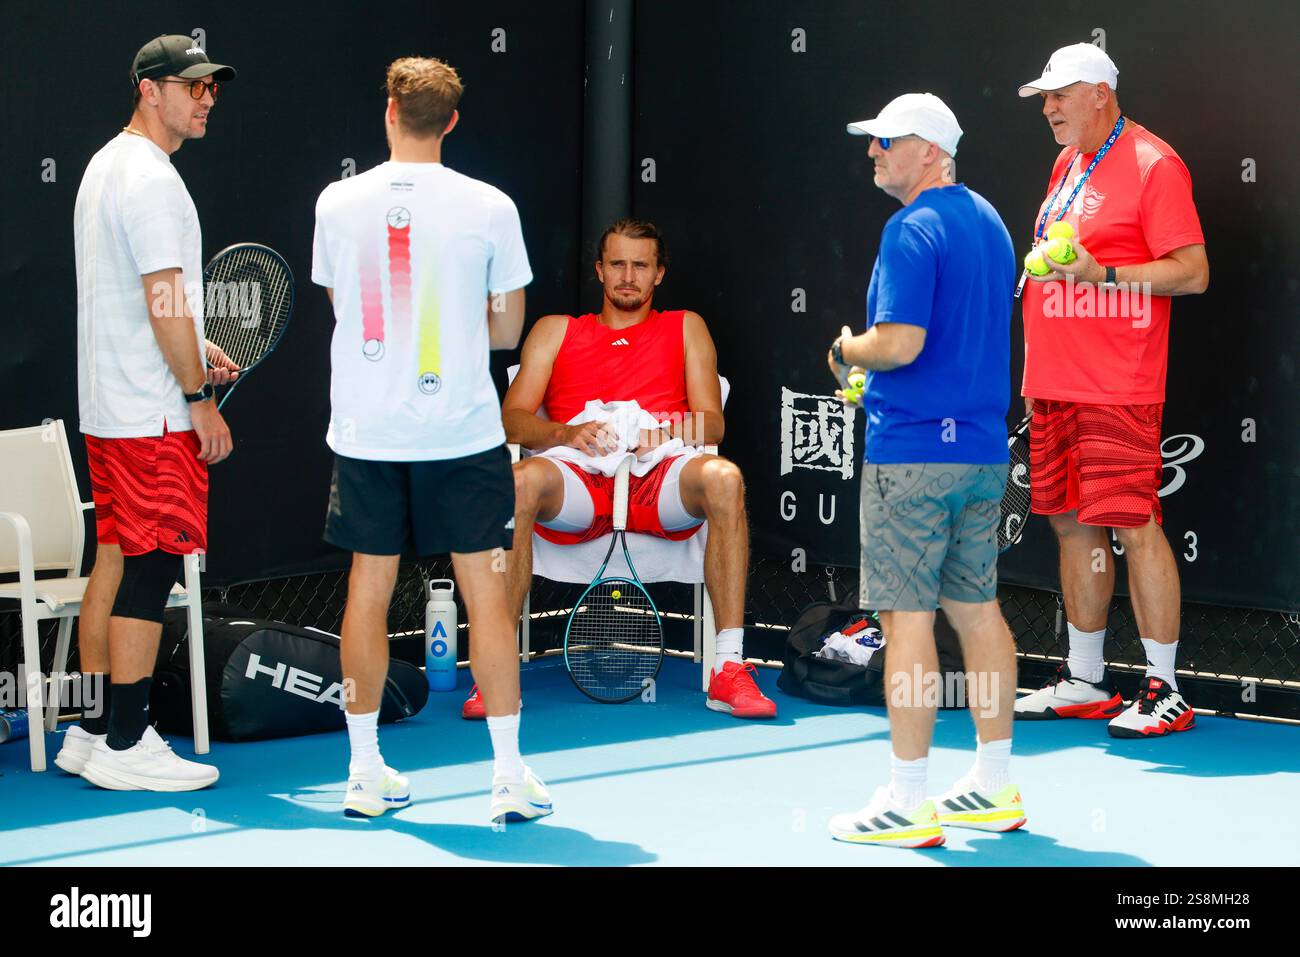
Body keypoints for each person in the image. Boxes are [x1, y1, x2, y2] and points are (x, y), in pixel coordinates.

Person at [312, 56, 551, 823]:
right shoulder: (492, 205)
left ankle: (362, 771)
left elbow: (338, 301)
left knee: (368, 591)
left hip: (368, 432)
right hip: (461, 433)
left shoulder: (336, 201)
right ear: (451, 121)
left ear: (390, 110)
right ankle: (509, 776)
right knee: (487, 592)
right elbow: (508, 327)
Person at [459, 217, 777, 722]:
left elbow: (711, 422)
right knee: (519, 482)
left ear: (659, 274)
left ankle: (729, 667)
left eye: (640, 265)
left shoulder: (685, 326)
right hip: (580, 480)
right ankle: (497, 674)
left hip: (656, 478)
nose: (628, 276)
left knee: (725, 478)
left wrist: (669, 431)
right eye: (618, 264)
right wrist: (565, 433)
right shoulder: (555, 330)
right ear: (600, 271)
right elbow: (511, 420)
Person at [826, 93, 1024, 848]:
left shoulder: (911, 227)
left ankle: (909, 800)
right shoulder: (992, 222)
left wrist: (850, 349)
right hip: (979, 454)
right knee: (976, 610)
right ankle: (995, 784)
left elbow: (901, 343)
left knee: (906, 620)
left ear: (931, 151)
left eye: (886, 140)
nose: (872, 151)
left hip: (913, 457)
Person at [1013, 43, 1208, 737]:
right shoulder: (1069, 162)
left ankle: (1166, 689)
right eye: (1045, 96)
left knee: (1133, 523)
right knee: (1070, 522)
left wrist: (1106, 277)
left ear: (1100, 93)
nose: (1048, 108)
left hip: (1117, 379)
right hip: (1057, 379)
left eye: (1059, 95)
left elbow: (1192, 272)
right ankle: (1086, 679)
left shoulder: (1156, 163)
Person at [59, 35, 237, 792]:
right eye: (189, 86)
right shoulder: (154, 180)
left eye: (210, 89)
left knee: (116, 556)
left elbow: (150, 298)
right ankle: (129, 742)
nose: (203, 98)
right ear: (147, 89)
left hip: (109, 404)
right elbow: (162, 294)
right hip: (152, 412)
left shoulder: (107, 166)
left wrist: (199, 347)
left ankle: (92, 729)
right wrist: (198, 396)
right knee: (155, 562)